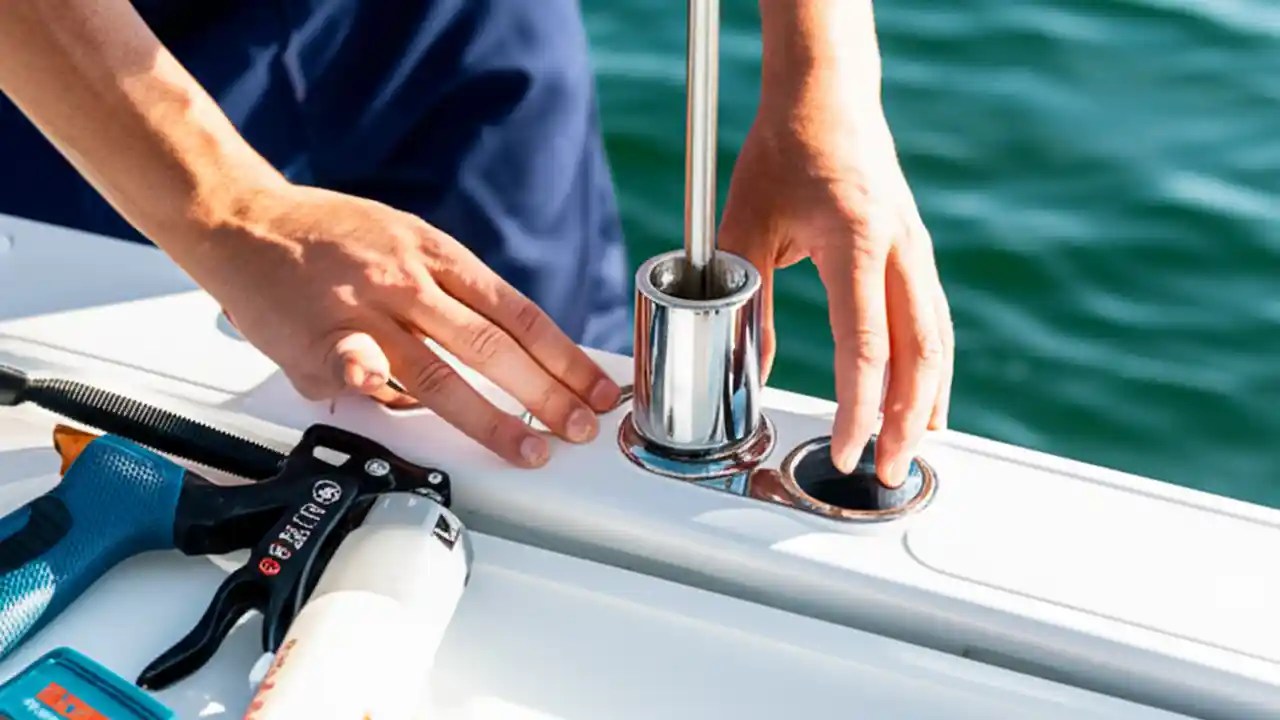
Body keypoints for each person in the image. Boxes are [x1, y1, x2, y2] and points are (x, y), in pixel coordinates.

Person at [0, 1, 952, 489]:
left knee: (535, 406)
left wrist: (824, 80)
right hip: (75, 58)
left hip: (459, 30)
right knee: (113, 428)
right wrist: (226, 209)